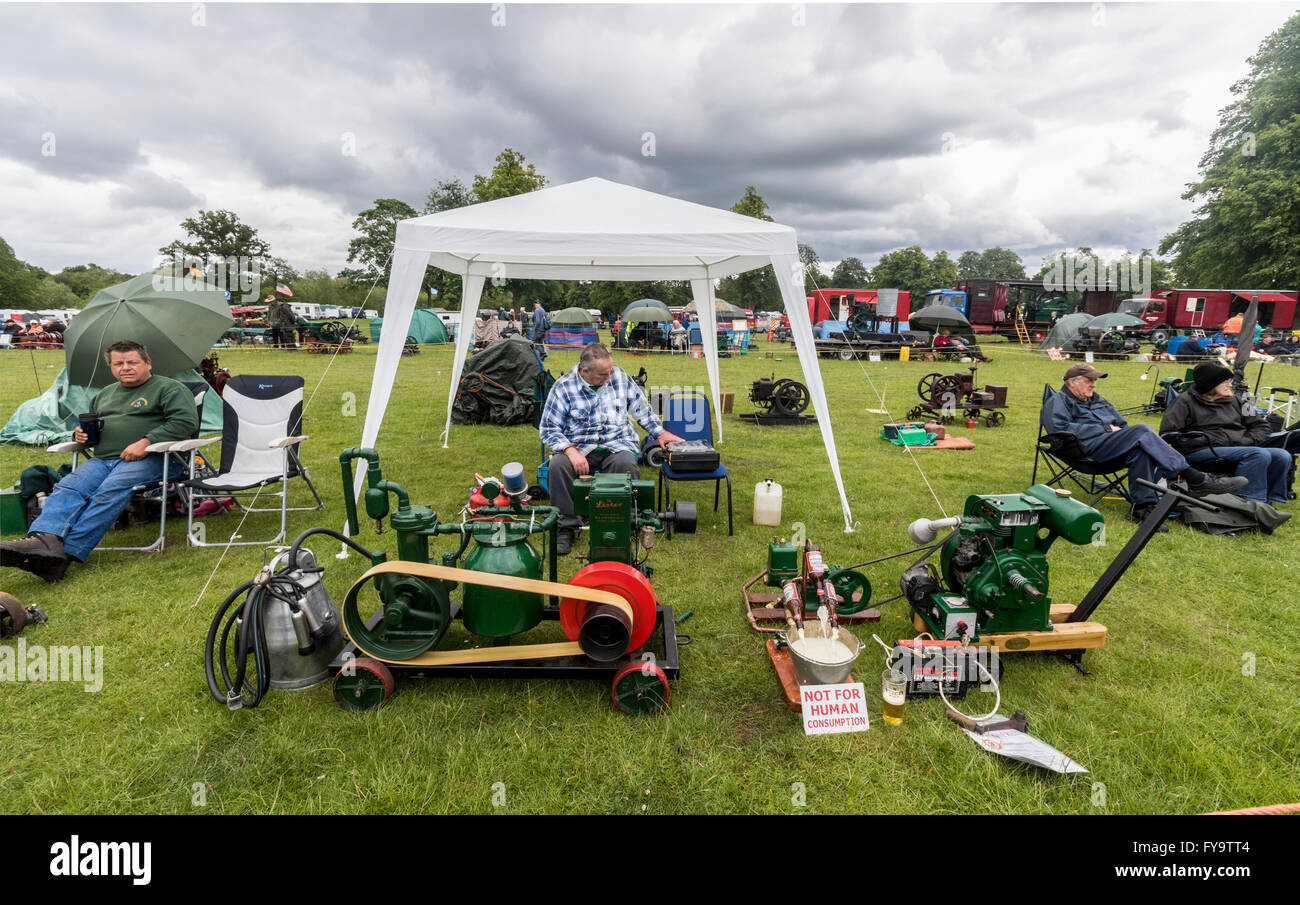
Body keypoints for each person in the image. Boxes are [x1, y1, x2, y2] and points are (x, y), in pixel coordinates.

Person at [0, 340, 199, 581]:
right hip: (104, 459)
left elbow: (185, 423)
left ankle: (66, 552)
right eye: (118, 364)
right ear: (112, 367)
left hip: (159, 457)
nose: (125, 367)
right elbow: (96, 426)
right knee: (68, 487)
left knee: (110, 489)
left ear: (147, 363)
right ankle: (43, 540)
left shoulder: (169, 388)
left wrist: (146, 442)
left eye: (132, 362)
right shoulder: (105, 394)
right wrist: (80, 435)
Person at [1041, 363, 1248, 527]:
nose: (1094, 385)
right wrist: (1104, 429)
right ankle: (1195, 478)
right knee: (1141, 431)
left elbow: (1121, 424)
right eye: (1089, 381)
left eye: (1095, 381)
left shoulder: (1098, 400)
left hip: (1110, 446)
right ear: (1072, 382)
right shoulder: (1058, 400)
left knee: (1141, 449)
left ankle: (1142, 509)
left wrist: (1114, 431)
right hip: (1082, 450)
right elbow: (1058, 429)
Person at [539, 343, 684, 554]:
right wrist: (570, 451)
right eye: (603, 374)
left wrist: (659, 432)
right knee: (557, 466)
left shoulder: (618, 375)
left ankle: (625, 523)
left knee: (626, 464)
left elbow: (640, 407)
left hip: (616, 444)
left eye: (610, 371)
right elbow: (549, 428)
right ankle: (566, 528)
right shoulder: (563, 387)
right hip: (578, 448)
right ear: (585, 371)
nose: (609, 377)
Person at [1160, 362, 1294, 506]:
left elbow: (1261, 425)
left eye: (1230, 382)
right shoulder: (1184, 402)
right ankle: (1244, 502)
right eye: (1225, 382)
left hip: (1240, 446)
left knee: (1282, 455)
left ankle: (1269, 502)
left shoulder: (1237, 400)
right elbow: (1168, 433)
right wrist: (1200, 440)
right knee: (1258, 454)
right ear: (1210, 384)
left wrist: (1248, 440)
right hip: (1200, 450)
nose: (1230, 385)